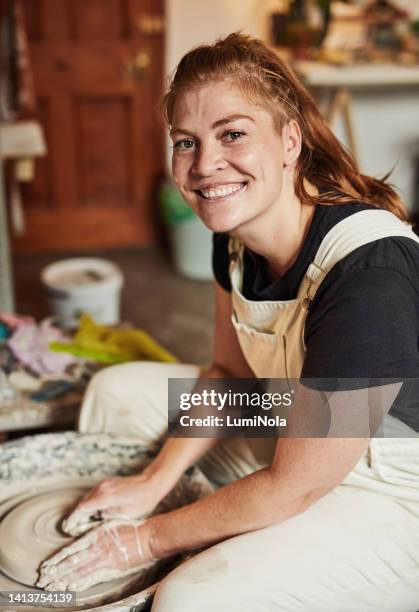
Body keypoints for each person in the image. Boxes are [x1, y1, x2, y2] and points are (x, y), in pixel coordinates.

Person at [37, 34, 419, 611]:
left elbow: (298, 481)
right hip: (296, 424)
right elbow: (231, 376)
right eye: (185, 142)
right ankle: (226, 517)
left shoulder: (368, 270)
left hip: (391, 490)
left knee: (189, 599)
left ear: (290, 140)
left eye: (232, 133)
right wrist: (155, 481)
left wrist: (141, 540)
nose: (204, 165)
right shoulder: (236, 241)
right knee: (113, 391)